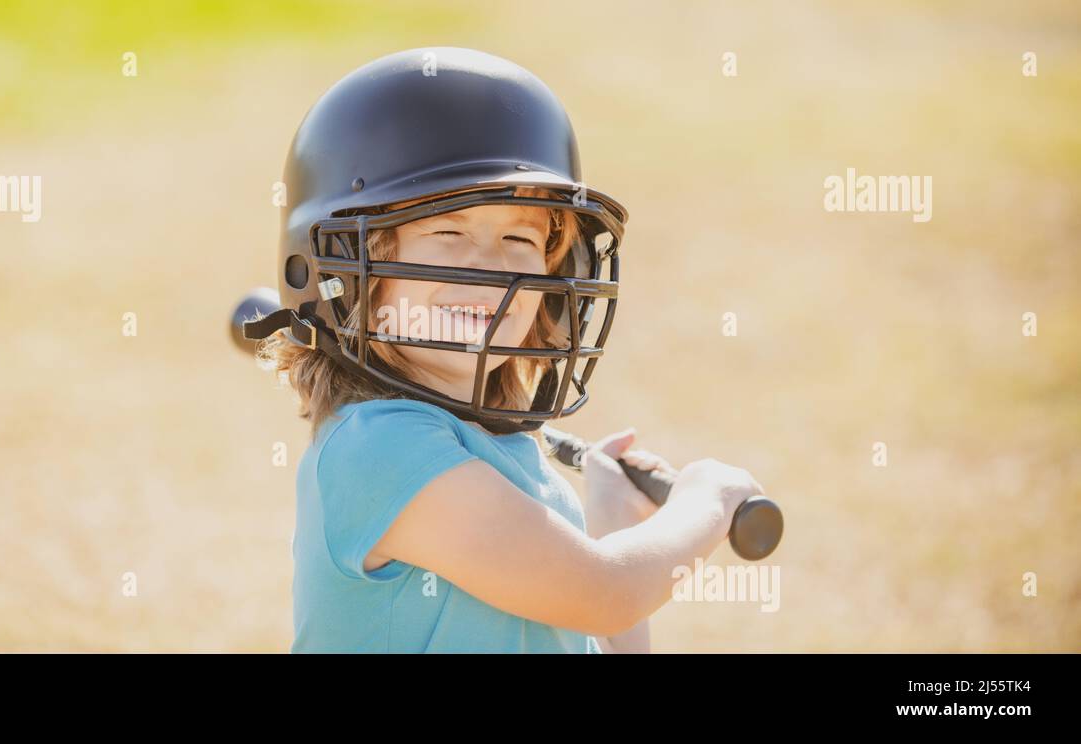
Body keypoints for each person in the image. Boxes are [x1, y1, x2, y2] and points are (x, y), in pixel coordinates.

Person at [247, 47, 764, 652]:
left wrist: (612, 525)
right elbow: (603, 590)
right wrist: (704, 502)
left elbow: (597, 608)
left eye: (520, 237)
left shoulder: (509, 460)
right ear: (346, 270)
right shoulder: (379, 449)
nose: (492, 268)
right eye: (447, 231)